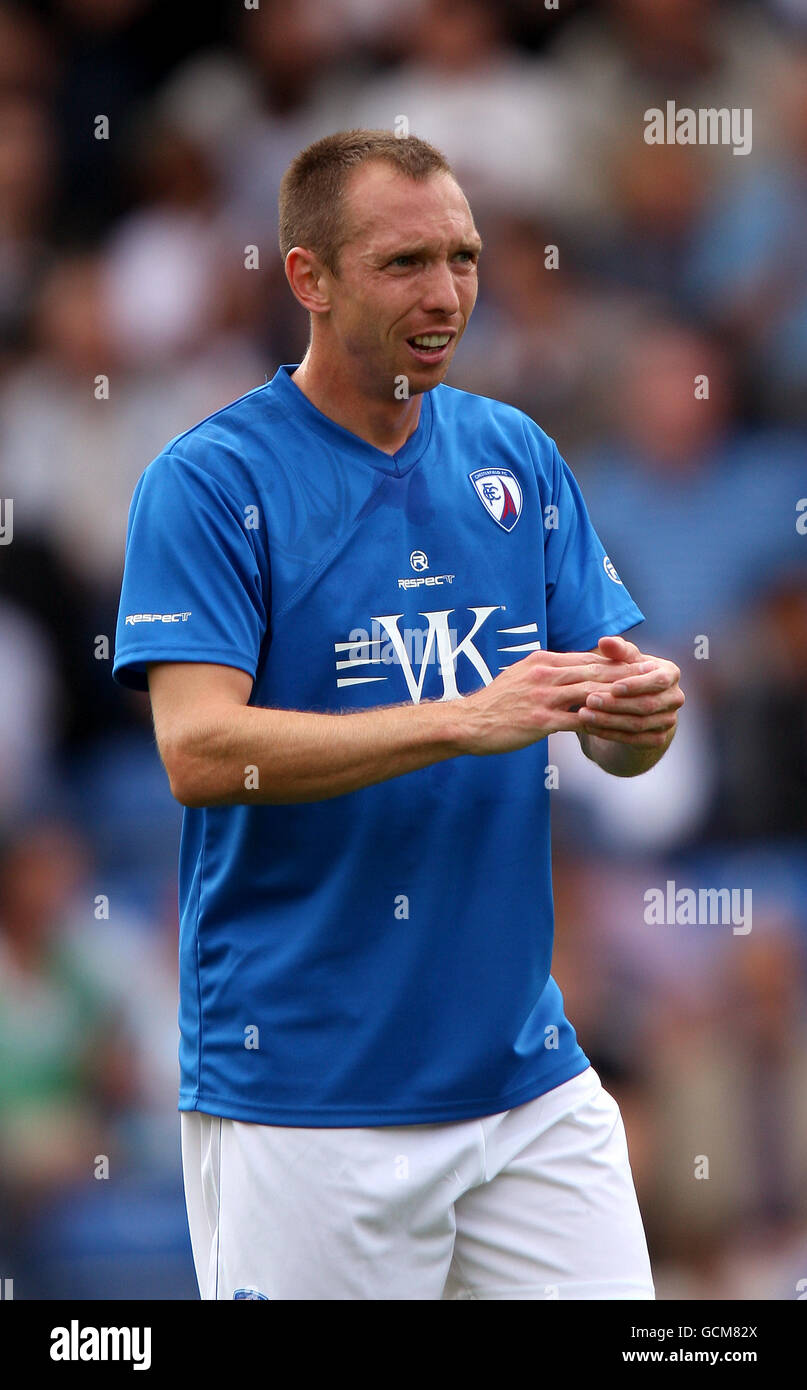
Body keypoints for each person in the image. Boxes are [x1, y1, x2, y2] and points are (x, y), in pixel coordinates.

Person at [112, 129, 684, 1300]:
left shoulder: (512, 453)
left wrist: (637, 717)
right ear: (308, 279)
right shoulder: (210, 482)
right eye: (405, 261)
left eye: (465, 257)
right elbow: (200, 750)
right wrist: (459, 718)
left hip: (527, 1079)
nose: (447, 293)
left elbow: (613, 740)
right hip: (308, 1101)